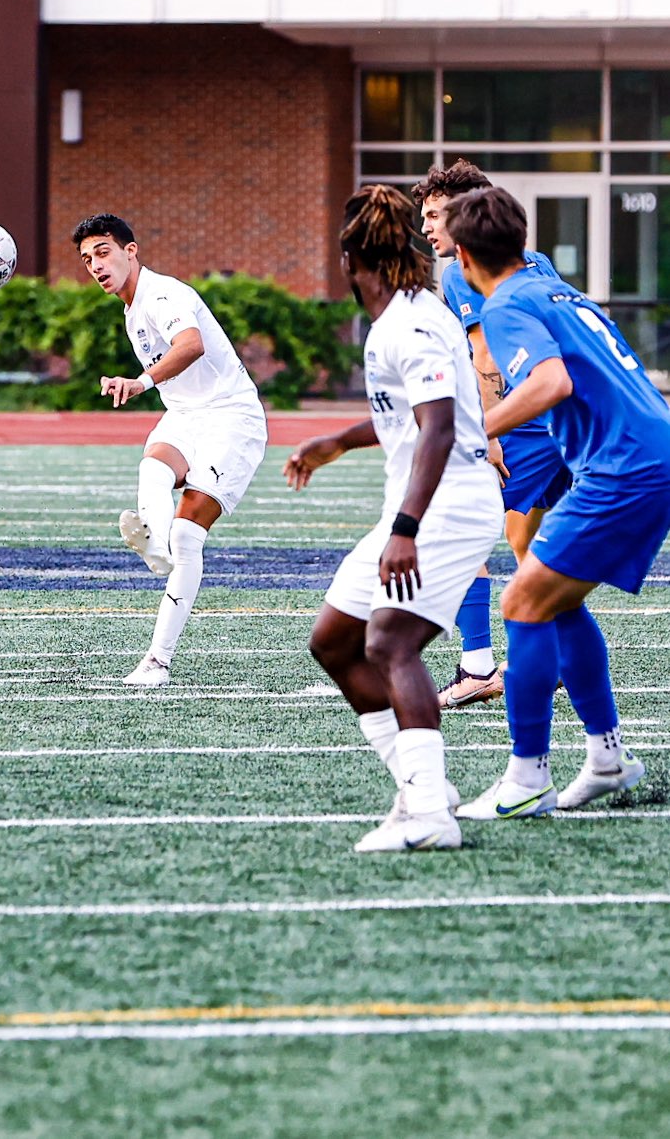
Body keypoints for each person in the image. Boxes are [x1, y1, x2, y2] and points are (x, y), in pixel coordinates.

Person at [284, 186, 503, 853]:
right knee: (334, 640)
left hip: (450, 503)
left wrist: (405, 528)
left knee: (390, 643)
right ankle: (420, 784)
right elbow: (408, 420)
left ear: (352, 259)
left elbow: (437, 430)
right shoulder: (396, 320)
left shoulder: (409, 322)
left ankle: (430, 814)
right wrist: (338, 442)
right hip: (416, 502)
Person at [446, 185, 665, 817]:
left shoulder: (508, 301)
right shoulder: (552, 288)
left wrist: (472, 430)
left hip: (624, 467)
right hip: (642, 453)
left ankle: (527, 776)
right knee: (554, 600)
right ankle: (607, 757)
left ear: (463, 256)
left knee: (521, 600)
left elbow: (550, 381)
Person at [73, 213, 267, 687]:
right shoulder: (130, 307)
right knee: (153, 467)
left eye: (103, 252)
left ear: (130, 251)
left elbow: (191, 344)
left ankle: (157, 661)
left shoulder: (162, 294)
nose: (96, 265)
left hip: (231, 418)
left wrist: (140, 382)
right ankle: (153, 544)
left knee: (188, 537)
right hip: (186, 414)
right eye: (87, 259)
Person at [414, 160, 573, 709]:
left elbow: (486, 354)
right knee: (526, 542)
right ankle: (547, 659)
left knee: (453, 525)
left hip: (524, 421)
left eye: (435, 214)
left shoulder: (463, 265)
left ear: (463, 214)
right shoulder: (536, 259)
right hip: (562, 423)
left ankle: (478, 665)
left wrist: (489, 436)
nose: (427, 227)